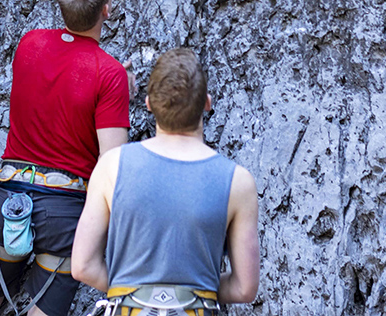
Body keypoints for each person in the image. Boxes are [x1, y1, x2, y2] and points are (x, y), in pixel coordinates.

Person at [0, 0, 134, 316]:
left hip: (8, 201)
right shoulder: (109, 74)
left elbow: (59, 82)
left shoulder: (30, 44)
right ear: (106, 10)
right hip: (63, 216)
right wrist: (116, 91)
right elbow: (114, 165)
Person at [71, 48, 260, 315]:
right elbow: (244, 288)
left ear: (148, 104)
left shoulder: (111, 166)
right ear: (206, 103)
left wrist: (130, 292)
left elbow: (82, 266)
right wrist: (193, 292)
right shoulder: (238, 181)